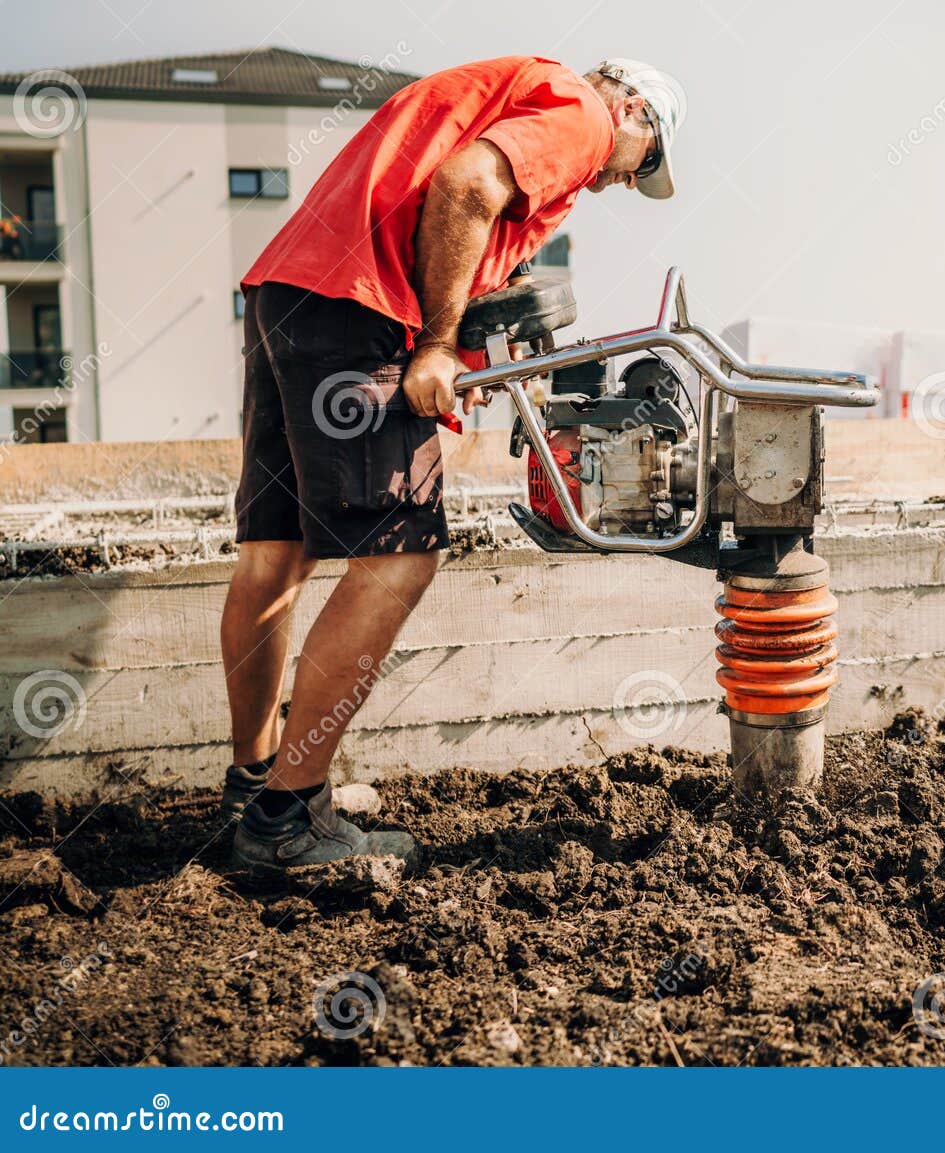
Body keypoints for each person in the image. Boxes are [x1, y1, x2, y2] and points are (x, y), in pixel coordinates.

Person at [222, 56, 686, 878]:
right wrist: (435, 345)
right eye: (642, 162)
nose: (624, 181)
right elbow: (466, 185)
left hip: (290, 292)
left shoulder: (510, 92)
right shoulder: (583, 113)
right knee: (399, 554)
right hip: (359, 306)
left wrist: (470, 345)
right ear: (634, 111)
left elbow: (451, 211)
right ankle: (285, 820)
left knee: (275, 554)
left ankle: (255, 784)